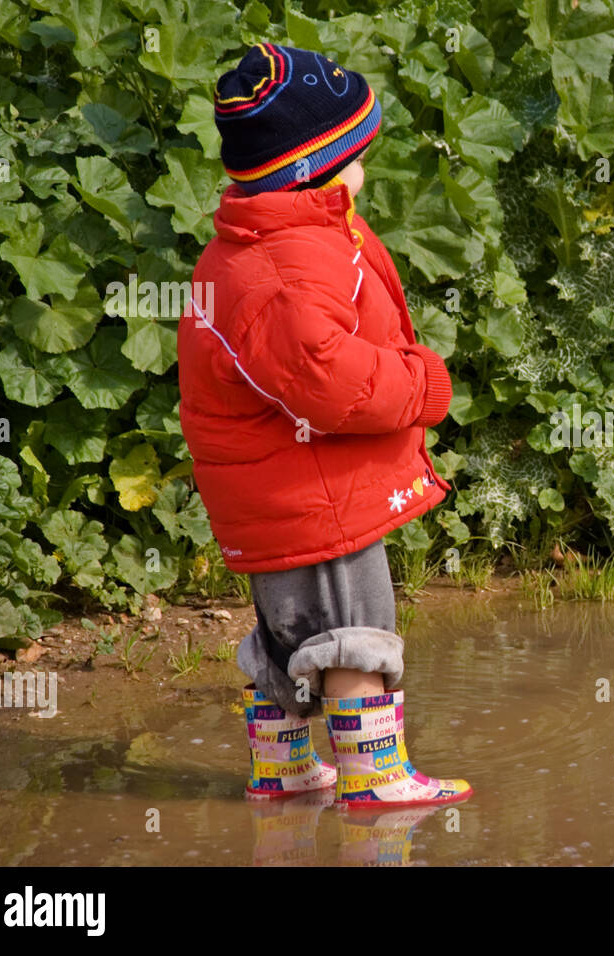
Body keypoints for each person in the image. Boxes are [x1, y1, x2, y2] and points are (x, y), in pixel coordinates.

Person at [177, 42, 471, 808]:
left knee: (290, 631)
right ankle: (376, 778)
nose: (363, 174)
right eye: (356, 159)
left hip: (271, 493)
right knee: (351, 629)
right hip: (317, 494)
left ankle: (284, 770)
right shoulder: (283, 263)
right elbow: (329, 383)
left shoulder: (256, 244)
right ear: (313, 168)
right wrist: (424, 384)